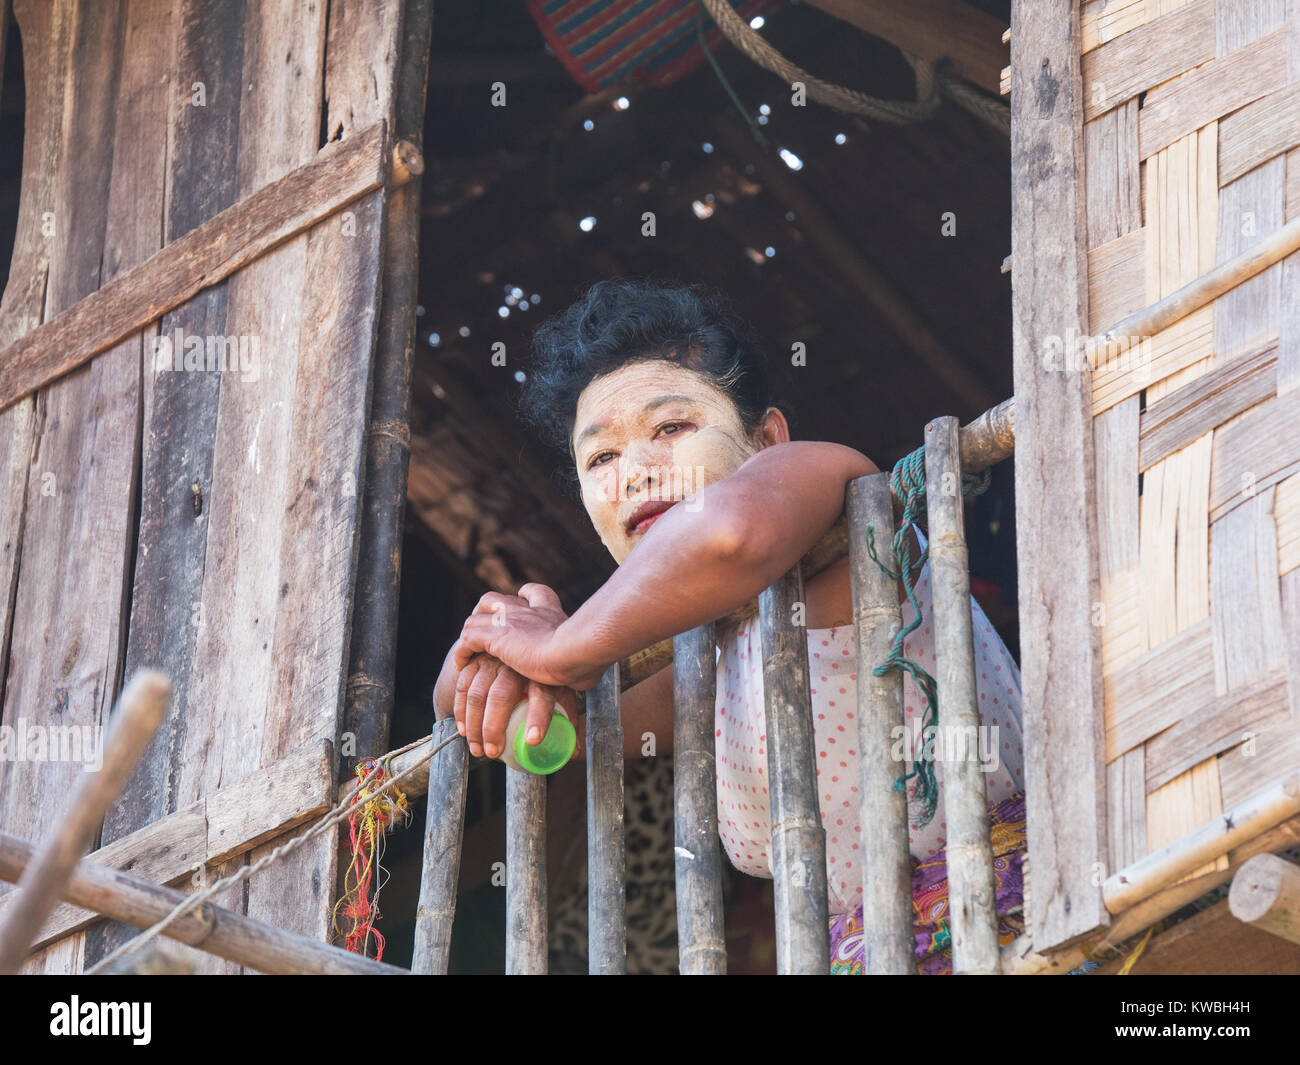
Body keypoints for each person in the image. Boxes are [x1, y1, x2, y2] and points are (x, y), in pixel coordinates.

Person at [431, 278, 1026, 973]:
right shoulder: (698, 656)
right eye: (601, 458)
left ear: (764, 437)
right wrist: (478, 660)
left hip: (1017, 932)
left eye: (672, 427)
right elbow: (553, 736)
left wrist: (560, 646)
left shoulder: (836, 496)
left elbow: (728, 534)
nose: (635, 472)